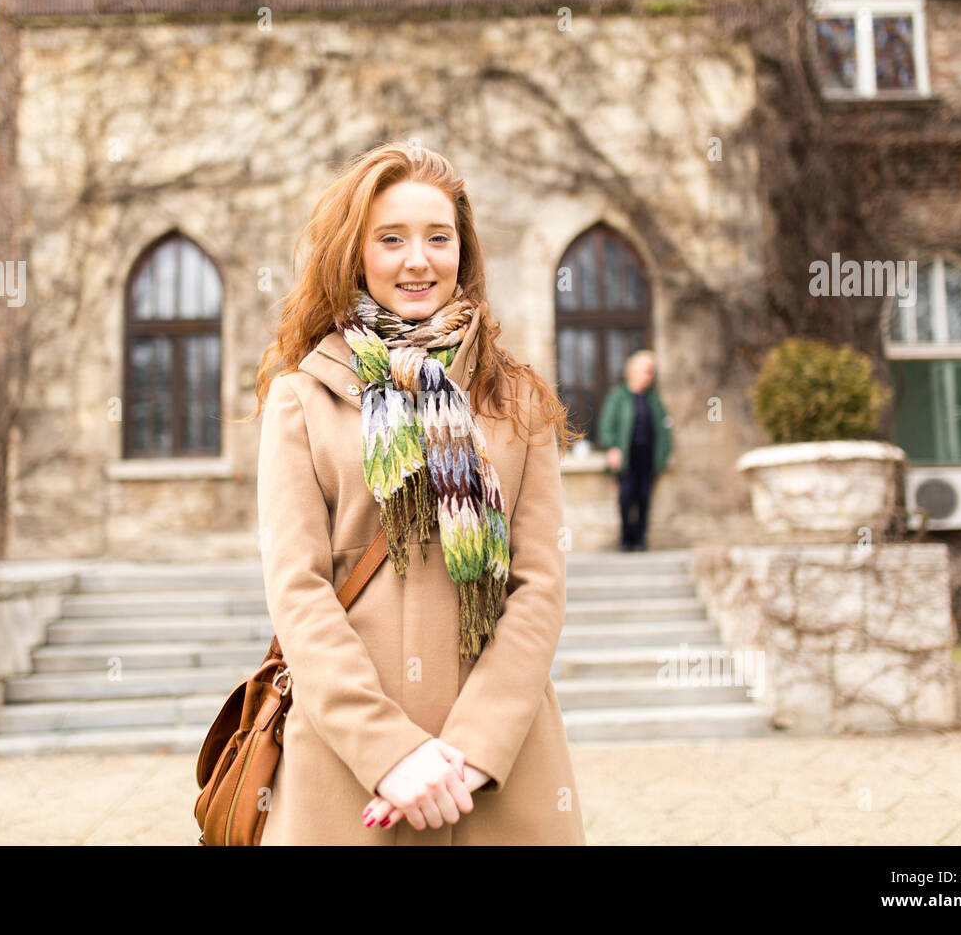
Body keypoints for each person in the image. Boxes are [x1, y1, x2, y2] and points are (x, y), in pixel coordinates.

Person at [244, 141, 586, 844]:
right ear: (355, 253)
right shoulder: (302, 398)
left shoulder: (516, 400)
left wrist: (471, 753)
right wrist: (389, 752)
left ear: (464, 251)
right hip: (346, 771)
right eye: (391, 238)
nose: (418, 259)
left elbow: (539, 587)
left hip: (498, 774)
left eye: (439, 237)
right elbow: (298, 589)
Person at [595, 350, 673, 551]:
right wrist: (612, 448)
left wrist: (664, 455)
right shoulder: (619, 397)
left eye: (651, 371)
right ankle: (626, 539)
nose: (649, 375)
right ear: (632, 371)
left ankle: (640, 540)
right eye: (646, 370)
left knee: (644, 497)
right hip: (626, 457)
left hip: (647, 457)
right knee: (626, 497)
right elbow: (606, 426)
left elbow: (664, 428)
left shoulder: (653, 399)